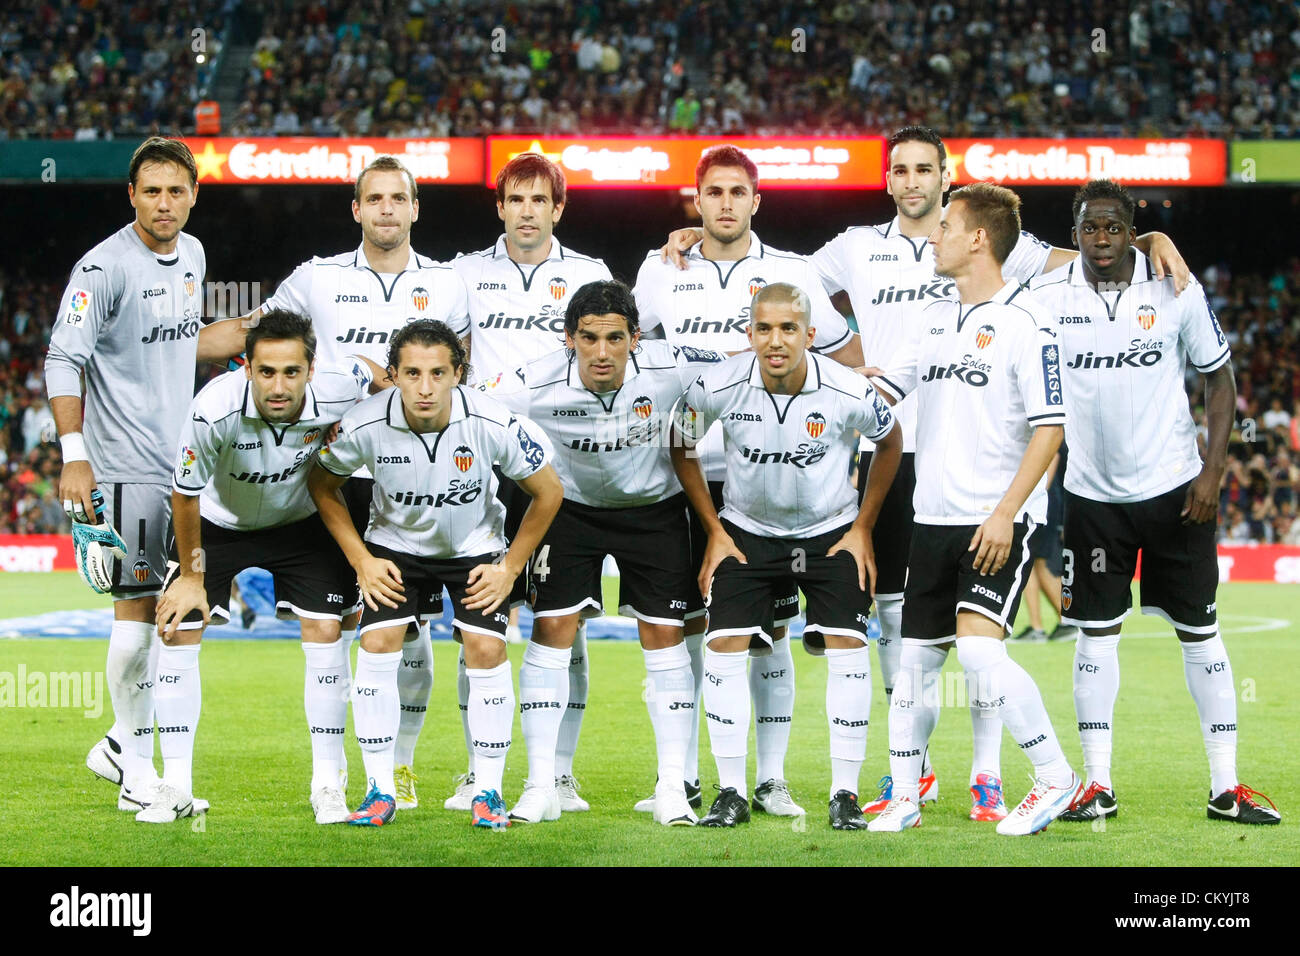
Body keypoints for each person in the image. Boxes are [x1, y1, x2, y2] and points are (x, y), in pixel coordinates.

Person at [658, 127, 1189, 820]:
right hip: (918, 482)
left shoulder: (1022, 301)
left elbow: (1082, 262)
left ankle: (1002, 773)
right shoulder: (886, 274)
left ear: (950, 191)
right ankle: (909, 789)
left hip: (989, 501)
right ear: (890, 180)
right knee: (913, 652)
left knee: (977, 652)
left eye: (926, 175)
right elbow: (790, 287)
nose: (916, 191)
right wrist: (702, 239)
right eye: (899, 170)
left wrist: (1144, 240)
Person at [1029, 179, 1280, 825]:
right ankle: (1098, 784)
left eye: (1116, 228)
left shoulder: (1174, 287)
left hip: (1176, 492)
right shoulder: (1047, 296)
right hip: (1091, 499)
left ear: (1131, 227)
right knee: (1094, 640)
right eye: (1091, 229)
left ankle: (1225, 786)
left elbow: (1218, 379)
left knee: (1201, 636)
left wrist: (1212, 472)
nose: (1103, 241)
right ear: (1075, 230)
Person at [635, 145, 866, 817]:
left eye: (739, 191)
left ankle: (769, 780)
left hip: (765, 482)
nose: (727, 203)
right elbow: (630, 349)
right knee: (684, 631)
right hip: (680, 478)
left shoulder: (790, 273)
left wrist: (826, 449)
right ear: (697, 200)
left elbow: (847, 362)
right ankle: (681, 779)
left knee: (772, 633)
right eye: (715, 192)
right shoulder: (660, 269)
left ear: (756, 201)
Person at [244, 154, 471, 812]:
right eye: (374, 199)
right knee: (325, 626)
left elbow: (473, 365)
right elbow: (263, 339)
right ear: (356, 210)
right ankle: (328, 776)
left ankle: (397, 767)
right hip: (336, 478)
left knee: (412, 631)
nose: (387, 210)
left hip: (421, 483)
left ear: (415, 208)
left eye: (398, 198)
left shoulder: (452, 284)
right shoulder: (315, 279)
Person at [867, 183, 1080, 836]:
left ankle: (1054, 778)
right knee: (915, 667)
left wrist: (1005, 512)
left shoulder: (1028, 323)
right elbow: (880, 392)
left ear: (978, 238)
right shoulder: (932, 318)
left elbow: (1051, 428)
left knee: (981, 656)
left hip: (996, 521)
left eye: (947, 225)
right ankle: (905, 796)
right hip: (930, 519)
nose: (935, 235)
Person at [46, 136, 246, 814]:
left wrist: (263, 330)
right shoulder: (101, 269)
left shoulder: (192, 255)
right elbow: (60, 360)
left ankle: (116, 744)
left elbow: (188, 344)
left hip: (182, 471)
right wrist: (75, 454)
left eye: (176, 190)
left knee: (188, 612)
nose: (164, 203)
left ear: (194, 195)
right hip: (123, 471)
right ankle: (135, 770)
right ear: (131, 195)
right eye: (151, 190)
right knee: (133, 617)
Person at [308, 319, 563, 828]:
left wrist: (511, 567)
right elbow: (321, 486)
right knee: (377, 645)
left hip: (475, 547)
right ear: (394, 375)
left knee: (486, 649)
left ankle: (487, 793)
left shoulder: (492, 421)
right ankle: (380, 790)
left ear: (458, 374)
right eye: (412, 374)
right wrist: (361, 559)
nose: (425, 388)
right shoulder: (363, 425)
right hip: (395, 548)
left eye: (438, 373)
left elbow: (549, 491)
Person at [492, 279, 725, 825]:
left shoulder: (675, 365)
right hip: (570, 510)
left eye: (615, 339)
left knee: (665, 637)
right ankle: (541, 785)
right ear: (568, 338)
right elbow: (465, 401)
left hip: (656, 510)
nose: (602, 353)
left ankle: (672, 788)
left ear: (636, 339)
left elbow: (746, 363)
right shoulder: (531, 382)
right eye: (589, 339)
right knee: (552, 630)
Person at [671, 282, 902, 829]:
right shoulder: (717, 385)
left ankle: (844, 795)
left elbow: (890, 443)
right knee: (724, 650)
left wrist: (864, 526)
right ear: (750, 334)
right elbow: (679, 443)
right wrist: (713, 527)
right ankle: (731, 792)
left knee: (848, 649)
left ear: (810, 335)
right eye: (765, 328)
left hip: (831, 532)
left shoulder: (846, 389)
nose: (776, 341)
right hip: (747, 532)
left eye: (789, 328)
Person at [151, 310, 373, 824]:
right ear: (246, 367)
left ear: (312, 370)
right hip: (216, 523)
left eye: (291, 372)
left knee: (326, 632)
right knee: (179, 628)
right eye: (266, 371)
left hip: (300, 524)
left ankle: (327, 783)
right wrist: (191, 577)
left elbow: (373, 371)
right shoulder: (212, 409)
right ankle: (176, 785)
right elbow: (183, 495)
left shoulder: (339, 390)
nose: (278, 385)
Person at [447, 152, 612, 813]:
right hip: (483, 472)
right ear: (499, 207)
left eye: (538, 201)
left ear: (558, 209)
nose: (525, 212)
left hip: (564, 471)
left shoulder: (588, 274)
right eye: (514, 200)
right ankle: (475, 769)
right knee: (478, 623)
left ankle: (560, 773)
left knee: (560, 620)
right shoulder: (463, 274)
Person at [1011, 448, 1078, 643]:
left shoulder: (1048, 427)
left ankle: (1066, 621)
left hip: (1041, 504)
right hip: (1041, 502)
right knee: (1030, 564)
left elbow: (1052, 455)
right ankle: (1039, 625)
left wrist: (1031, 495)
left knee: (1040, 563)